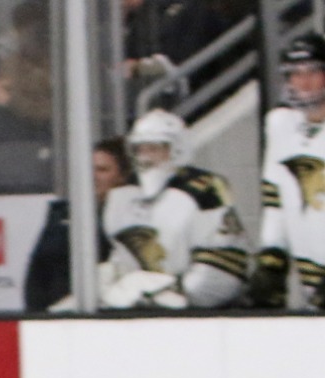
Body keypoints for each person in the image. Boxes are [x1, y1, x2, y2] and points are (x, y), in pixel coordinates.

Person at [97, 109, 245, 310]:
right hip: (138, 311)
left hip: (195, 316)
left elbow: (222, 270)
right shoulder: (124, 196)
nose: (145, 158)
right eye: (140, 149)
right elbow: (121, 261)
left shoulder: (205, 191)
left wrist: (174, 294)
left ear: (177, 149)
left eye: (154, 149)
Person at [252, 32, 325, 310]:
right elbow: (275, 202)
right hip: (309, 276)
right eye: (295, 74)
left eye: (313, 72)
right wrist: (272, 258)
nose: (303, 82)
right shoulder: (281, 126)